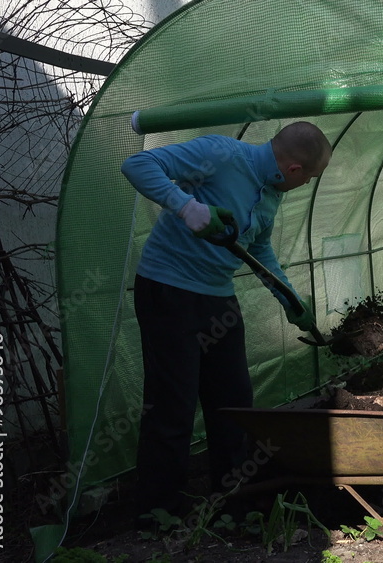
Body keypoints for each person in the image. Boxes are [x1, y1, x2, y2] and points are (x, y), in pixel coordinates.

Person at [121, 121, 332, 523]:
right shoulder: (222, 155)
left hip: (217, 296)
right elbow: (137, 164)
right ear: (294, 171)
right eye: (310, 180)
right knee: (173, 404)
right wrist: (186, 205)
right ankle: (159, 511)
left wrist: (287, 296)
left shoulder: (270, 195)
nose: (306, 186)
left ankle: (233, 498)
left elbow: (260, 248)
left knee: (233, 401)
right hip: (168, 290)